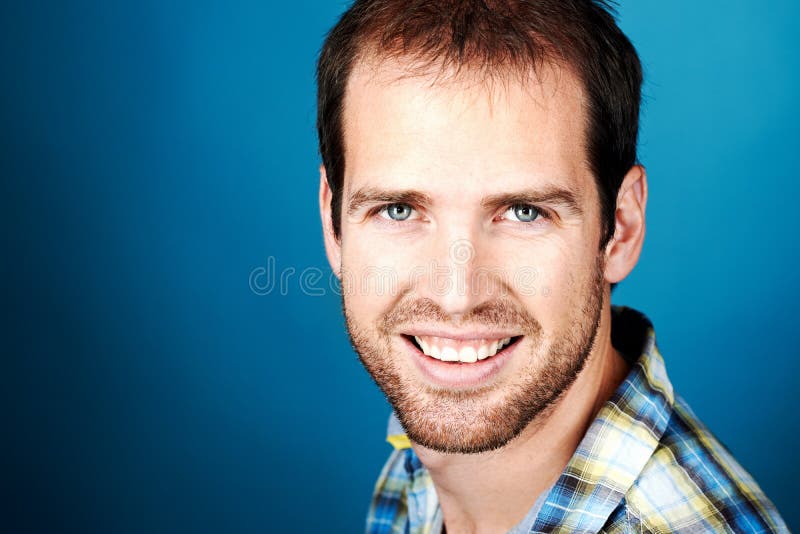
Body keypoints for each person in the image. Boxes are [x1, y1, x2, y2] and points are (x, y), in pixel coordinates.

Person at [315, 1, 788, 532]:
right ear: (334, 224)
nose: (456, 296)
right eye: (398, 210)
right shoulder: (422, 463)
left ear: (621, 227)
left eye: (524, 212)